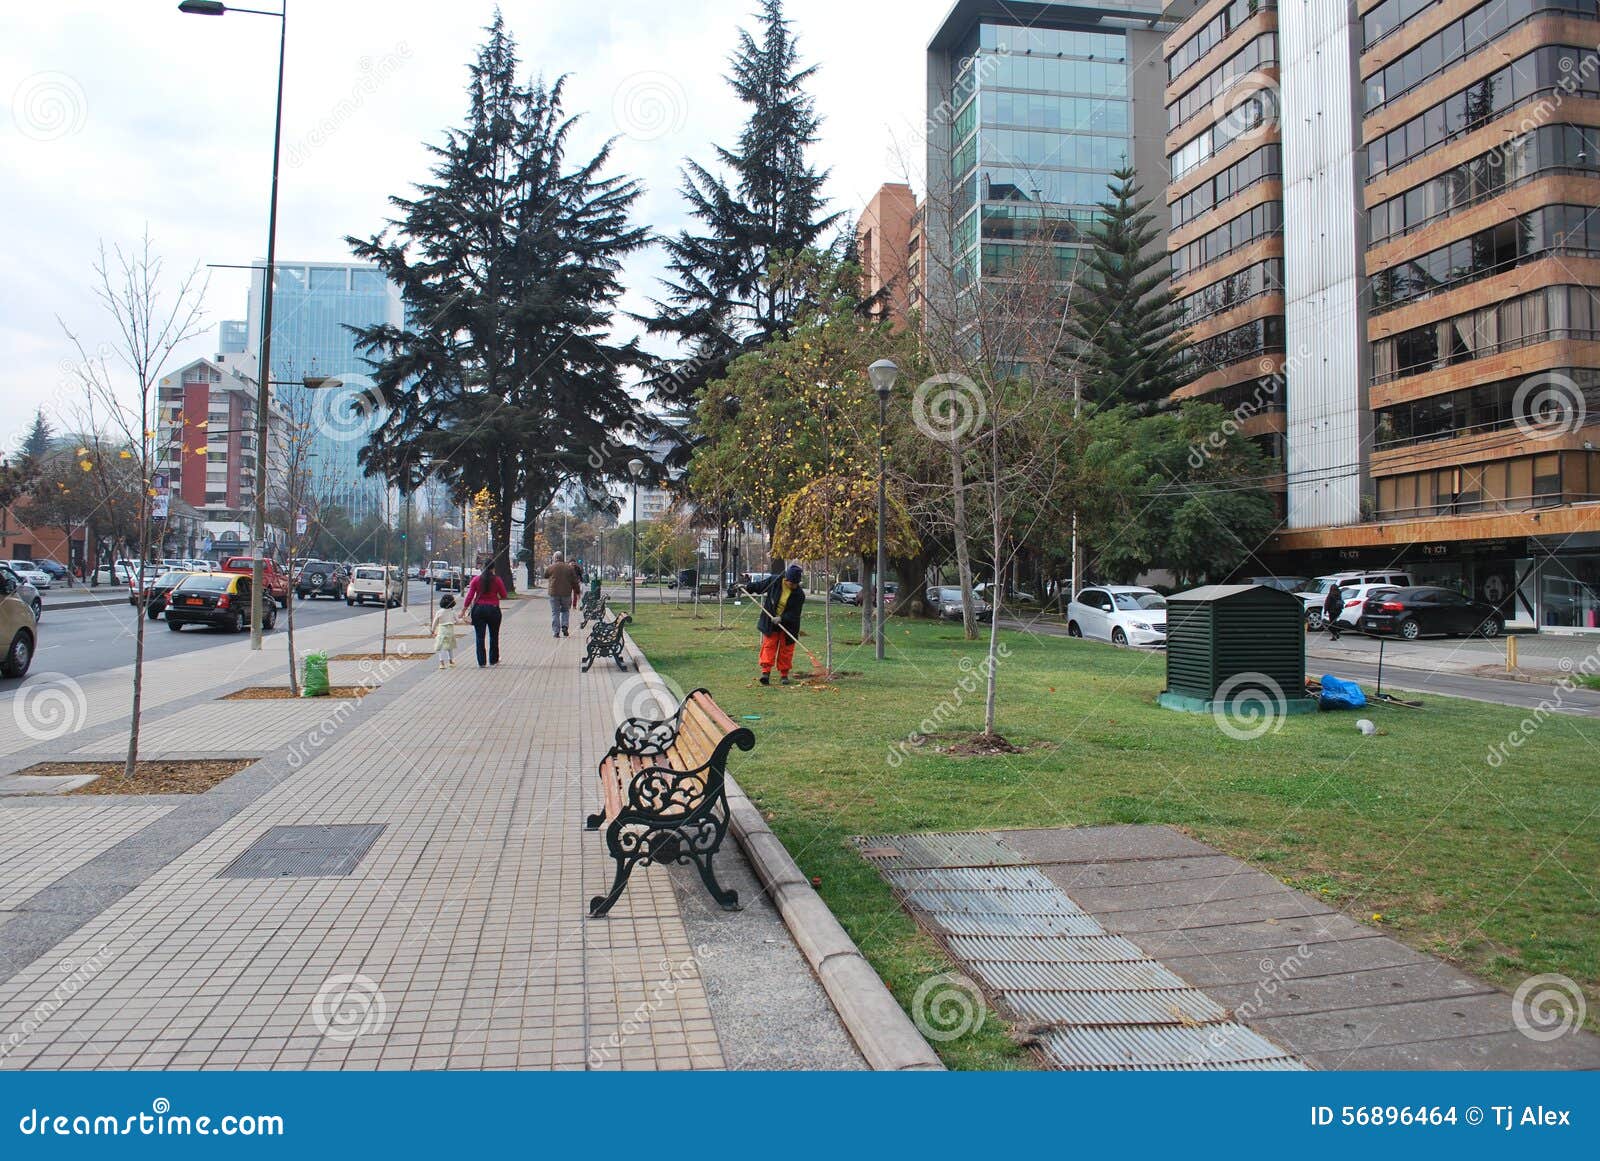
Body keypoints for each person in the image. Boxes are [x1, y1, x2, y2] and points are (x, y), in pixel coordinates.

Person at [749, 564, 805, 685]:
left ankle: (784, 675)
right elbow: (760, 586)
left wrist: (782, 618)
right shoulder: (774, 581)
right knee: (769, 647)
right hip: (771, 623)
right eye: (792, 583)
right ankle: (765, 673)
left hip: (789, 625)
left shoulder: (799, 594)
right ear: (786, 579)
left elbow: (795, 614)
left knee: (786, 650)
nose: (794, 586)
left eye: (796, 584)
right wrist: (746, 586)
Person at [462, 561, 507, 667]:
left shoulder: (476, 580)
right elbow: (504, 595)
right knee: (494, 636)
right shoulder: (497, 580)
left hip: (479, 610)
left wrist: (464, 609)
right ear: (493, 568)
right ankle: (493, 660)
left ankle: (482, 662)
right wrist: (495, 596)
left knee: (479, 637)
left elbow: (470, 596)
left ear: (483, 567)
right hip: (493, 610)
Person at [543, 551, 582, 639]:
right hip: (566, 593)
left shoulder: (551, 567)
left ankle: (556, 632)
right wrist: (577, 592)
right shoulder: (569, 568)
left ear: (555, 558)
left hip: (554, 593)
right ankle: (564, 626)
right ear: (562, 558)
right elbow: (574, 581)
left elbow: (545, 575)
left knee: (555, 612)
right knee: (565, 611)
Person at [431, 594, 460, 669]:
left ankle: (442, 663)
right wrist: (458, 620)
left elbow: (435, 622)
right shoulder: (452, 612)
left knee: (441, 647)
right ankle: (451, 661)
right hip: (450, 631)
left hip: (442, 631)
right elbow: (458, 621)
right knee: (450, 646)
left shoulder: (439, 612)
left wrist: (432, 630)